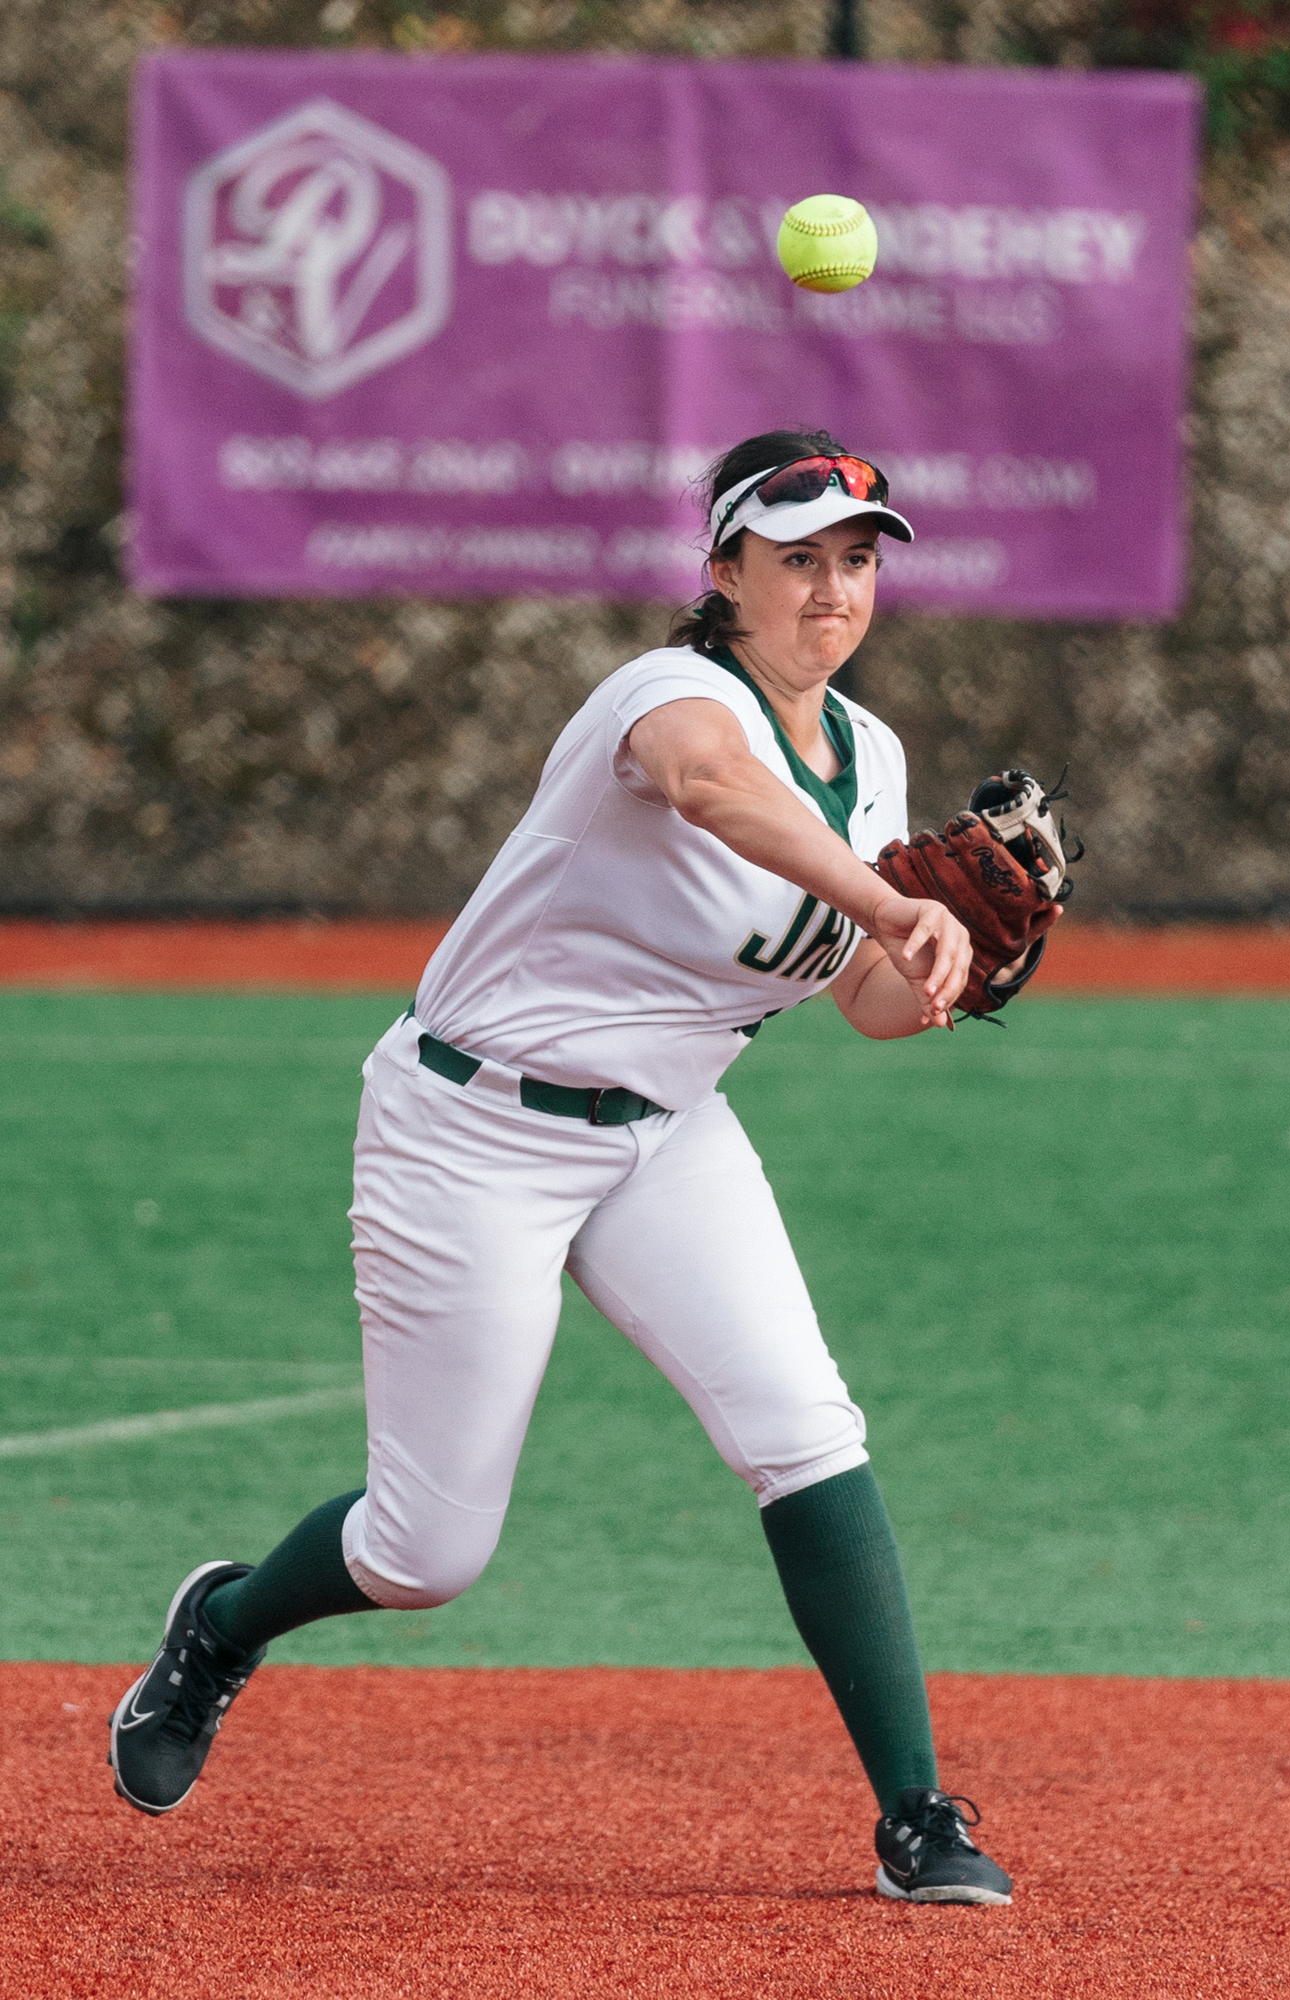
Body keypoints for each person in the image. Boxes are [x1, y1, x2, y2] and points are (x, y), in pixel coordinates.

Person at [108, 428, 1014, 1906]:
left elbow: (861, 998)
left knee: (804, 1429)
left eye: (857, 559)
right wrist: (884, 893)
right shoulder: (665, 696)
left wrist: (955, 967)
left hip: (665, 1134)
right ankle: (221, 1628)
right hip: (468, 1129)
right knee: (425, 1550)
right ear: (724, 571)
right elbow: (717, 791)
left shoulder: (874, 762)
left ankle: (918, 1816)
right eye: (797, 559)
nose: (833, 590)